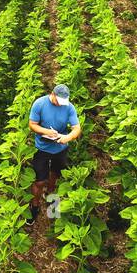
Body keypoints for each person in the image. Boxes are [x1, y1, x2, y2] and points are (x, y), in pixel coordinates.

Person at [28, 83, 81, 222]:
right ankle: (34, 205)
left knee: (55, 174)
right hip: (42, 148)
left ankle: (50, 196)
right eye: (58, 101)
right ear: (52, 94)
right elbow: (32, 124)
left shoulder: (69, 107)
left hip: (60, 148)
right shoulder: (39, 104)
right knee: (40, 181)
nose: (60, 105)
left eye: (63, 102)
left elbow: (76, 128)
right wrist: (47, 132)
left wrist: (67, 137)